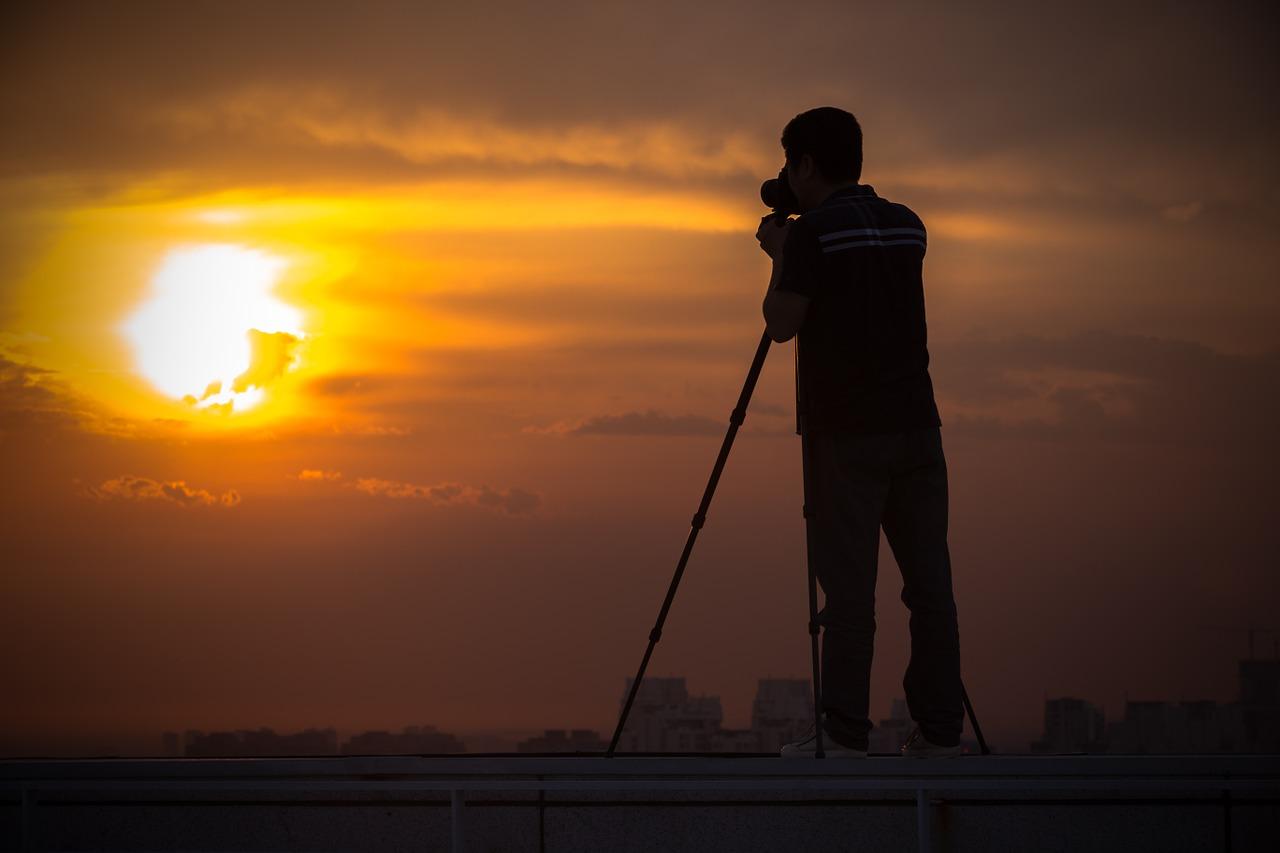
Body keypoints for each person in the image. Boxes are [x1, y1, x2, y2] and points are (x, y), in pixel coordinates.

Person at [756, 107, 964, 759]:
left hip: (846, 434)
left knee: (848, 590)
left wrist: (782, 254)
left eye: (791, 165)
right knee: (930, 586)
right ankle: (939, 731)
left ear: (806, 165)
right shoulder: (909, 226)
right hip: (918, 429)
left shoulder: (813, 235)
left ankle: (844, 730)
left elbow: (783, 322)